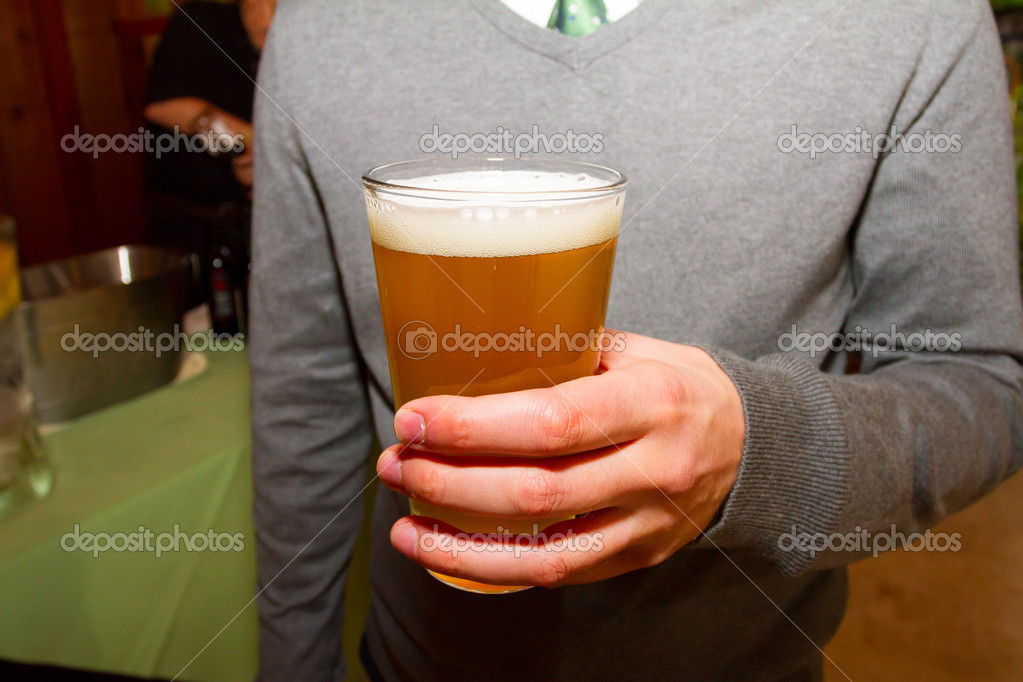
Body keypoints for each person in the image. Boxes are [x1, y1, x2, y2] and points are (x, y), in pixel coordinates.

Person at [248, 0, 1023, 680]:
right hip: (419, 654)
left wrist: (760, 452)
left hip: (743, 663)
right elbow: (299, 408)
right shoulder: (321, 24)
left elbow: (980, 379)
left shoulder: (908, 16)